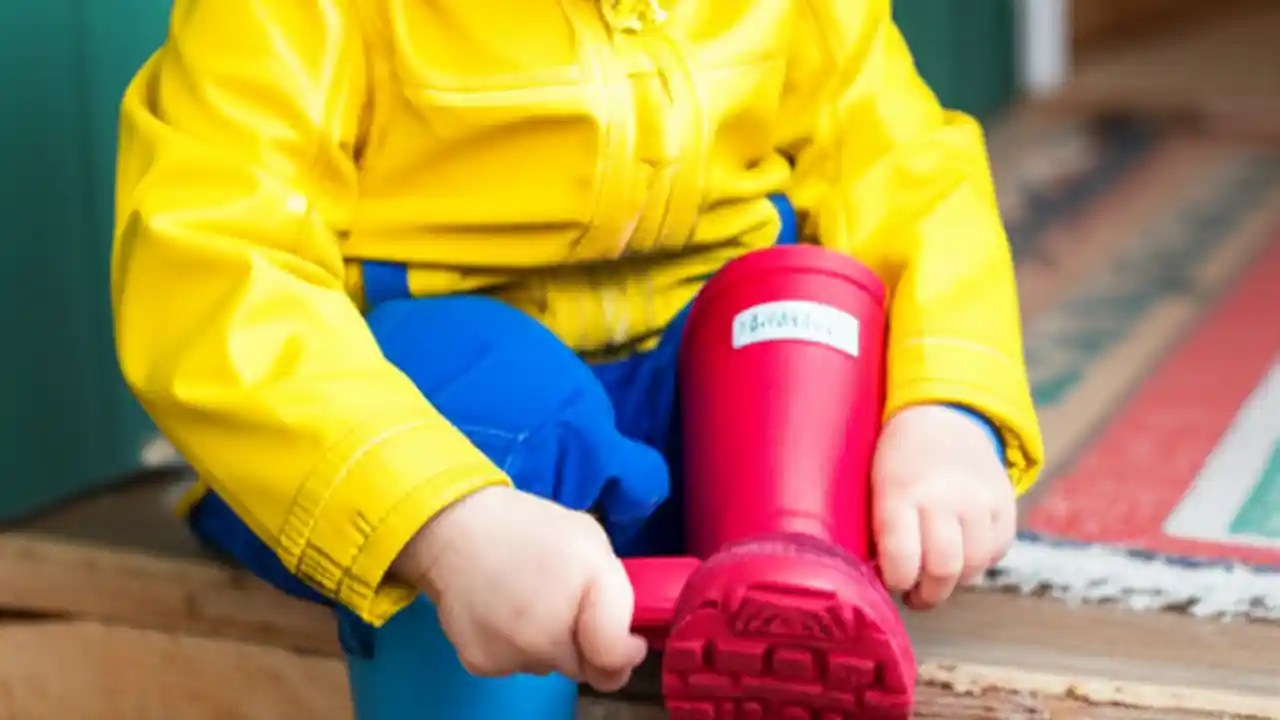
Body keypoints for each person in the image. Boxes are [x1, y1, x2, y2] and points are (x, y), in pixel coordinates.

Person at [111, 0, 1044, 717]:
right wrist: (441, 517)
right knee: (491, 381)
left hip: (699, 412)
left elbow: (907, 172)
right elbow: (214, 266)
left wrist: (944, 409)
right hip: (408, 451)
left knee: (800, 309)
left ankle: (787, 571)